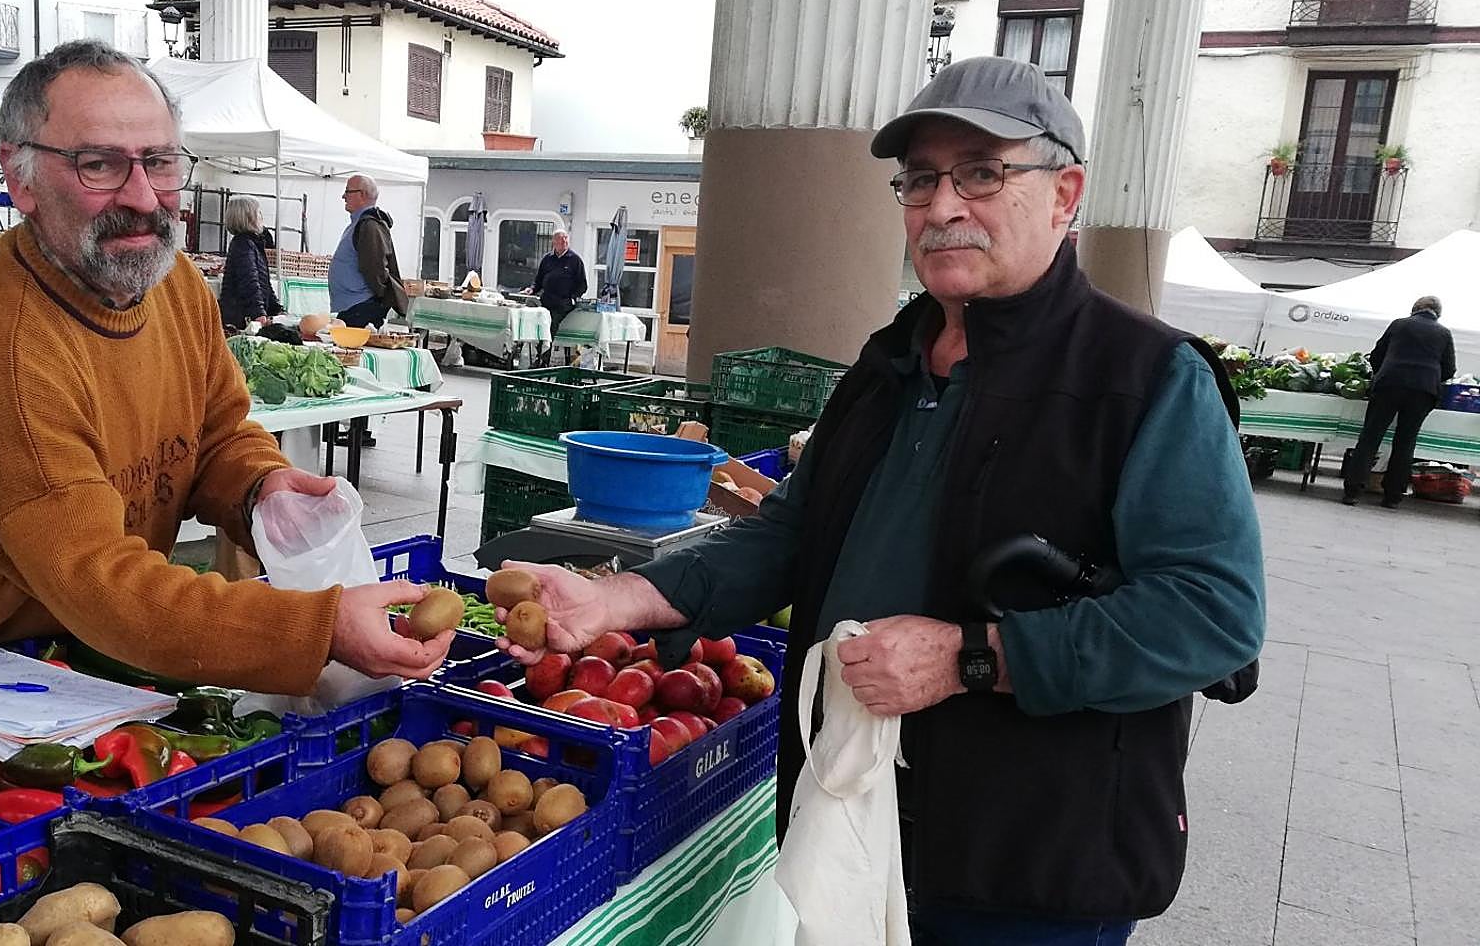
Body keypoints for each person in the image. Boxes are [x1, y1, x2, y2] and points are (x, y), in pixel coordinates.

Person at [493, 57, 1266, 945]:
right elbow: (792, 530)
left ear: (1065, 194)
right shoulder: (889, 361)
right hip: (855, 813)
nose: (942, 208)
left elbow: (1214, 617)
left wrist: (972, 656)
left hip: (1029, 861)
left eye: (982, 172)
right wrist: (616, 596)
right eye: (922, 180)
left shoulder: (1146, 379)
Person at [0, 39, 449, 693]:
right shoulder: (4, 356)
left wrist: (258, 488)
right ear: (20, 179)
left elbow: (218, 432)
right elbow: (100, 582)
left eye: (160, 162)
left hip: (84, 650)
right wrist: (317, 628)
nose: (143, 197)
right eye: (99, 164)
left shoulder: (174, 286)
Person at [1342, 295, 1457, 508]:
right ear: (1437, 313)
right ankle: (1393, 496)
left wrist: (1384, 372)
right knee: (1405, 442)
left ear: (1415, 309)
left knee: (1370, 437)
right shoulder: (1444, 333)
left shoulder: (1399, 325)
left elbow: (1376, 356)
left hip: (1390, 384)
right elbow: (1449, 369)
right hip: (1422, 391)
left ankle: (1353, 491)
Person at [329, 173, 407, 328]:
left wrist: (377, 300)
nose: (343, 196)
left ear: (362, 194)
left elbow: (375, 268)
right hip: (354, 307)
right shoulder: (359, 223)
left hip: (362, 307)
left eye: (348, 191)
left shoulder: (369, 225)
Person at [218, 196, 283, 330]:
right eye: (258, 213)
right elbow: (249, 282)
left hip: (247, 313)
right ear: (248, 217)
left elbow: (264, 283)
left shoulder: (253, 243)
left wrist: (276, 309)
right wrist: (258, 312)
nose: (261, 217)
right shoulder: (243, 245)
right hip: (240, 317)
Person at [525, 227, 587, 337]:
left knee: (550, 324)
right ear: (553, 242)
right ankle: (536, 350)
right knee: (533, 319)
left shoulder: (575, 259)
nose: (564, 241)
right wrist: (532, 289)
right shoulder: (547, 258)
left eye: (566, 238)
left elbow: (582, 285)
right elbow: (538, 280)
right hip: (546, 300)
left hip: (563, 303)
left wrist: (572, 298)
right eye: (560, 239)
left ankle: (544, 352)